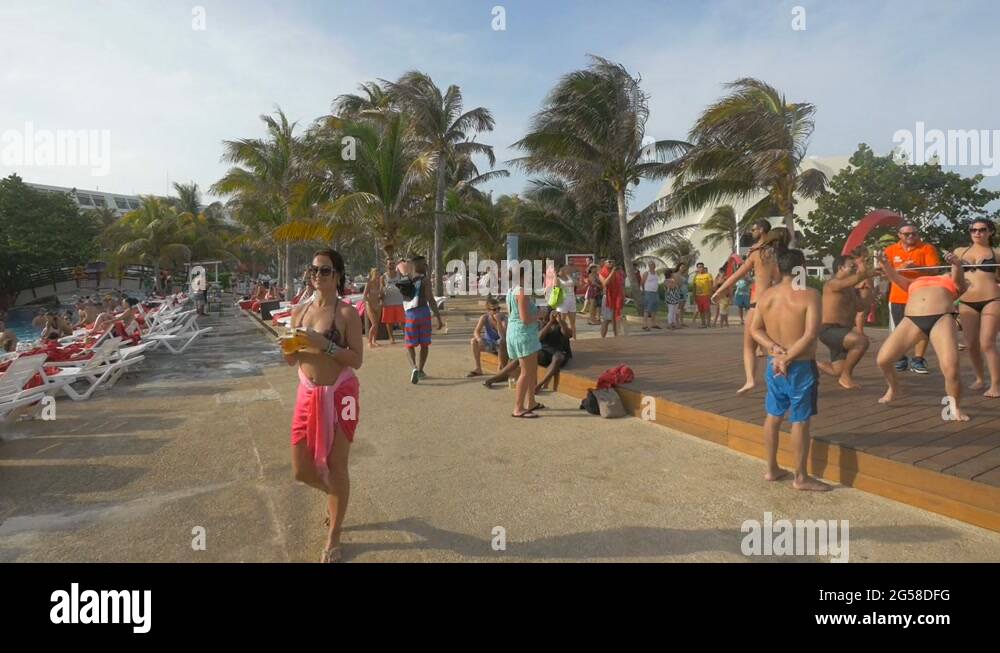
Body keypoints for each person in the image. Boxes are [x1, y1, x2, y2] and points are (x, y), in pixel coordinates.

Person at [284, 249, 363, 563]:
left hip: (343, 396)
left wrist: (324, 344)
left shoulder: (347, 314)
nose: (317, 276)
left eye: (325, 271)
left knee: (337, 465)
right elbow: (292, 361)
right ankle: (336, 497)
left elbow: (357, 359)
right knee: (301, 470)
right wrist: (288, 347)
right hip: (308, 394)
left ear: (338, 275)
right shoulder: (298, 312)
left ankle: (334, 535)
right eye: (313, 270)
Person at [749, 248, 830, 492]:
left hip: (774, 365)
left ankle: (772, 468)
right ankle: (801, 477)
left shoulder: (766, 296)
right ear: (801, 268)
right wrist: (788, 357)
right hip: (800, 366)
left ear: (778, 269)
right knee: (800, 420)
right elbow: (811, 334)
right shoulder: (810, 295)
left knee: (773, 416)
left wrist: (776, 351)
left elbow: (755, 330)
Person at [875, 250, 969, 419]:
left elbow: (960, 285)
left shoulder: (951, 279)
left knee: (951, 369)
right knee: (883, 360)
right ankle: (894, 387)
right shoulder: (916, 280)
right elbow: (895, 278)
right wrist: (885, 263)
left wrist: (956, 264)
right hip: (912, 320)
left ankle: (954, 407)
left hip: (941, 318)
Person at [712, 222, 789, 394]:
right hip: (778, 303)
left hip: (758, 303)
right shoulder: (783, 255)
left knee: (749, 345)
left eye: (754, 229)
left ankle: (750, 380)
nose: (751, 232)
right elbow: (779, 279)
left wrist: (720, 290)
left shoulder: (758, 254)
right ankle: (782, 368)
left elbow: (737, 275)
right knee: (777, 341)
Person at [884, 222, 942, 374]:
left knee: (922, 328)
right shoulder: (890, 250)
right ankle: (900, 357)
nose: (911, 236)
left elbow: (935, 270)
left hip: (921, 296)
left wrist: (916, 267)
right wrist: (902, 268)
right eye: (907, 234)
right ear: (899, 235)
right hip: (897, 297)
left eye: (914, 233)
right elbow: (883, 272)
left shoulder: (927, 248)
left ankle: (918, 360)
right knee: (897, 330)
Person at [952, 218, 1000, 398]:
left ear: (990, 232)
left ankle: (996, 384)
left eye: (982, 230)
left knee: (987, 342)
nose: (977, 233)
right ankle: (980, 379)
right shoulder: (959, 252)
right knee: (971, 344)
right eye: (973, 230)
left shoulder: (996, 253)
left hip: (992, 299)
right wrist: (957, 265)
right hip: (966, 301)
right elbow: (956, 282)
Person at [817, 253, 878, 390]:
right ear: (840, 268)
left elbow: (860, 307)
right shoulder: (832, 284)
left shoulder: (850, 288)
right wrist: (865, 272)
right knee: (861, 341)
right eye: (852, 266)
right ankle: (846, 377)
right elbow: (853, 280)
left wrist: (868, 292)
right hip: (829, 330)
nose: (855, 269)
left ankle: (813, 364)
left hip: (843, 332)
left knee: (836, 371)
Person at [506, 266, 542, 417]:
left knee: (532, 369)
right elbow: (525, 319)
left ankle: (531, 401)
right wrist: (540, 315)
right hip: (523, 334)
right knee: (526, 372)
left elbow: (512, 314)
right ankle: (518, 408)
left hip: (515, 332)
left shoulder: (510, 291)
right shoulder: (521, 291)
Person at [402, 256, 444, 384]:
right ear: (419, 265)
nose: (426, 266)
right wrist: (438, 317)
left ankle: (414, 367)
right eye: (424, 264)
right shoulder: (425, 280)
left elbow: (403, 300)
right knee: (424, 344)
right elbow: (430, 299)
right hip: (424, 313)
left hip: (410, 315)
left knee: (409, 345)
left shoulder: (406, 280)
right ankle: (420, 370)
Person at [467, 296, 508, 377]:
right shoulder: (484, 317)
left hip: (501, 345)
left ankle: (499, 369)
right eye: (494, 310)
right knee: (473, 341)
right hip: (489, 343)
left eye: (498, 308)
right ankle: (478, 368)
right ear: (488, 311)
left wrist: (498, 321)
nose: (497, 311)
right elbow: (476, 331)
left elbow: (503, 336)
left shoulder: (503, 318)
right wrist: (479, 339)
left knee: (501, 341)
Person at [535, 308, 573, 393]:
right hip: (544, 352)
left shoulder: (562, 324)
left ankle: (541, 384)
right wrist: (550, 323)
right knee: (532, 354)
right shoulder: (542, 324)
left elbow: (568, 334)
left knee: (557, 357)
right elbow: (539, 337)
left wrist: (560, 321)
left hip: (558, 352)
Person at [380, 257, 406, 345]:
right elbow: (381, 289)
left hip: (399, 301)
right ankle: (391, 338)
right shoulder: (383, 276)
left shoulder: (399, 274)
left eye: (393, 263)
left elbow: (405, 284)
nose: (391, 265)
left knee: (402, 321)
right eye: (389, 263)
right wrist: (382, 300)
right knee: (389, 322)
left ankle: (406, 336)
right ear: (386, 265)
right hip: (388, 302)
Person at [600, 259, 625, 338]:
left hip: (617, 297)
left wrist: (623, 296)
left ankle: (616, 336)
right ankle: (602, 338)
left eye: (613, 262)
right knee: (607, 320)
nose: (611, 263)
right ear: (605, 263)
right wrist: (612, 273)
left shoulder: (618, 272)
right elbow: (605, 283)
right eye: (609, 262)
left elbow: (621, 285)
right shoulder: (602, 272)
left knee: (615, 319)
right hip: (608, 298)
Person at [362, 268, 383, 349]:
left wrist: (381, 301)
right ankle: (369, 341)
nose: (378, 275)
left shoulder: (379, 283)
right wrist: (369, 303)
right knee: (374, 324)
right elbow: (364, 296)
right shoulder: (369, 283)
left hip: (377, 305)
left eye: (379, 274)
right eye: (376, 274)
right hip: (370, 305)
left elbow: (381, 295)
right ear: (372, 274)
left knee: (376, 324)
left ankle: (374, 340)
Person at [555, 264, 578, 338]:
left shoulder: (569, 276)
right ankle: (561, 338)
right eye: (565, 268)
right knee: (562, 321)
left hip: (572, 300)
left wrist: (571, 276)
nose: (568, 269)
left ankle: (574, 337)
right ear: (561, 269)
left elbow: (577, 284)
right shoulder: (557, 278)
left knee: (573, 322)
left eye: (568, 268)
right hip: (563, 301)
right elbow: (556, 289)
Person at [641, 261, 661, 331]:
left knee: (654, 309)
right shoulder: (646, 273)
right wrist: (644, 291)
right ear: (649, 266)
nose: (652, 266)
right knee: (647, 309)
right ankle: (644, 325)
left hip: (655, 293)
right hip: (648, 292)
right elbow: (642, 283)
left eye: (653, 264)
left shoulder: (656, 273)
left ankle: (653, 324)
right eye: (651, 265)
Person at [692, 262, 714, 328]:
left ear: (703, 268)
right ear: (697, 268)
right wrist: (694, 296)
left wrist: (711, 294)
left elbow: (711, 285)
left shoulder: (708, 275)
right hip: (698, 296)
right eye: (699, 267)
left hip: (706, 295)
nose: (700, 268)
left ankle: (708, 323)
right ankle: (703, 323)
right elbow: (694, 287)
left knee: (707, 310)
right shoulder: (696, 276)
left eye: (701, 267)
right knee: (700, 310)